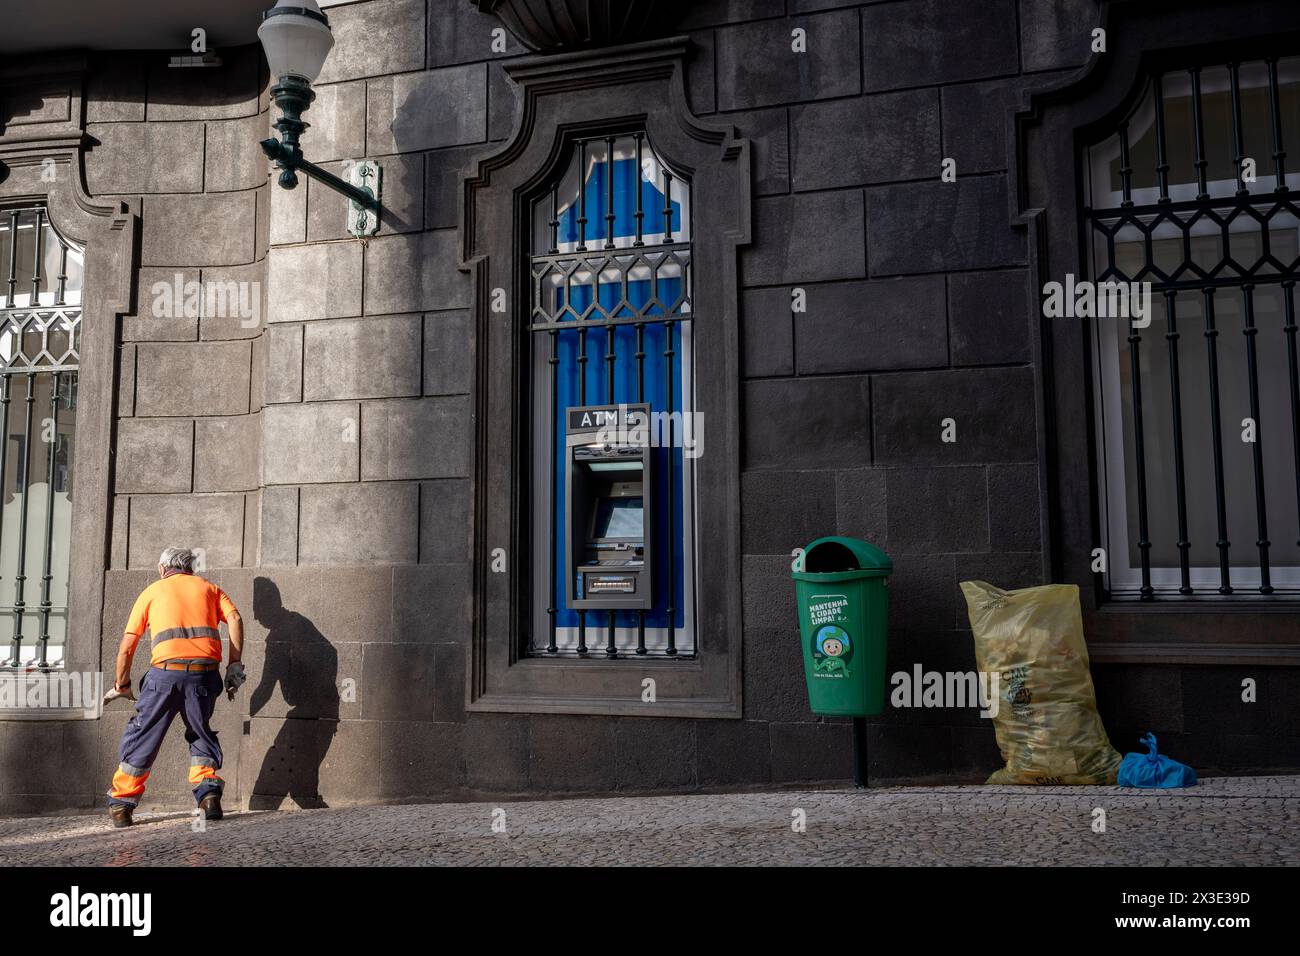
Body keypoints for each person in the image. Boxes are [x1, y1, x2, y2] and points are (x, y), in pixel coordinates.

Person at [102, 547, 247, 828]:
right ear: (190, 568)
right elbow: (235, 619)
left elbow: (128, 644)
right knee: (200, 730)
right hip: (204, 676)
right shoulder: (210, 588)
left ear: (162, 568)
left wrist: (122, 683)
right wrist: (234, 665)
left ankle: (122, 805)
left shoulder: (152, 592)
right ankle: (208, 796)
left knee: (144, 733)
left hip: (164, 677)